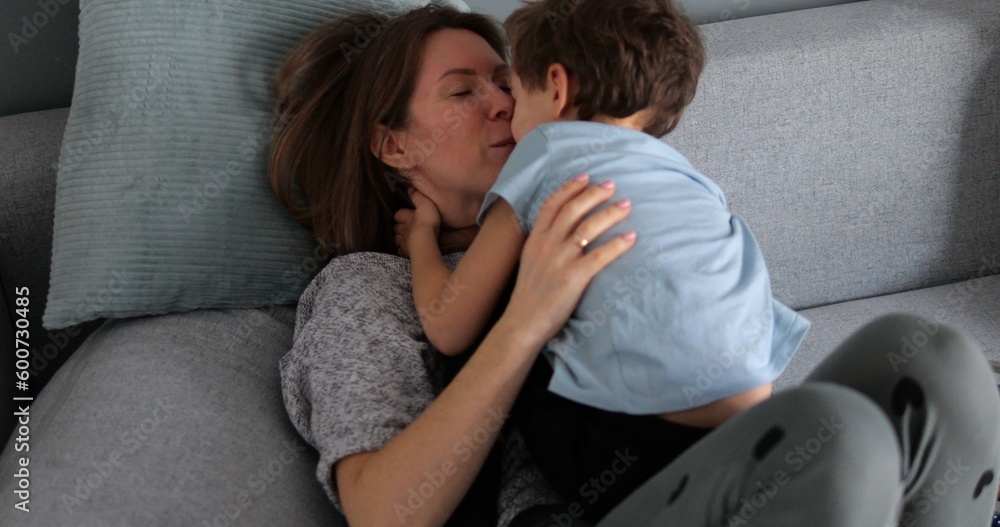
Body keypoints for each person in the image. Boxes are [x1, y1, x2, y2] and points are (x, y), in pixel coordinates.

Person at [267, 4, 1000, 527]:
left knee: (930, 359)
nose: (501, 104)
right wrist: (525, 322)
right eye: (463, 91)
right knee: (836, 434)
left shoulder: (597, 196)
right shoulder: (369, 287)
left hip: (721, 466)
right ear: (394, 146)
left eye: (506, 82)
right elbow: (383, 511)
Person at [393, 2, 809, 520]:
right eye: (464, 92)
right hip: (752, 412)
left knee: (509, 350)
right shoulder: (684, 177)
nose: (505, 109)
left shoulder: (547, 151)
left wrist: (422, 238)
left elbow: (448, 325)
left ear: (557, 87)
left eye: (513, 90)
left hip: (640, 439)